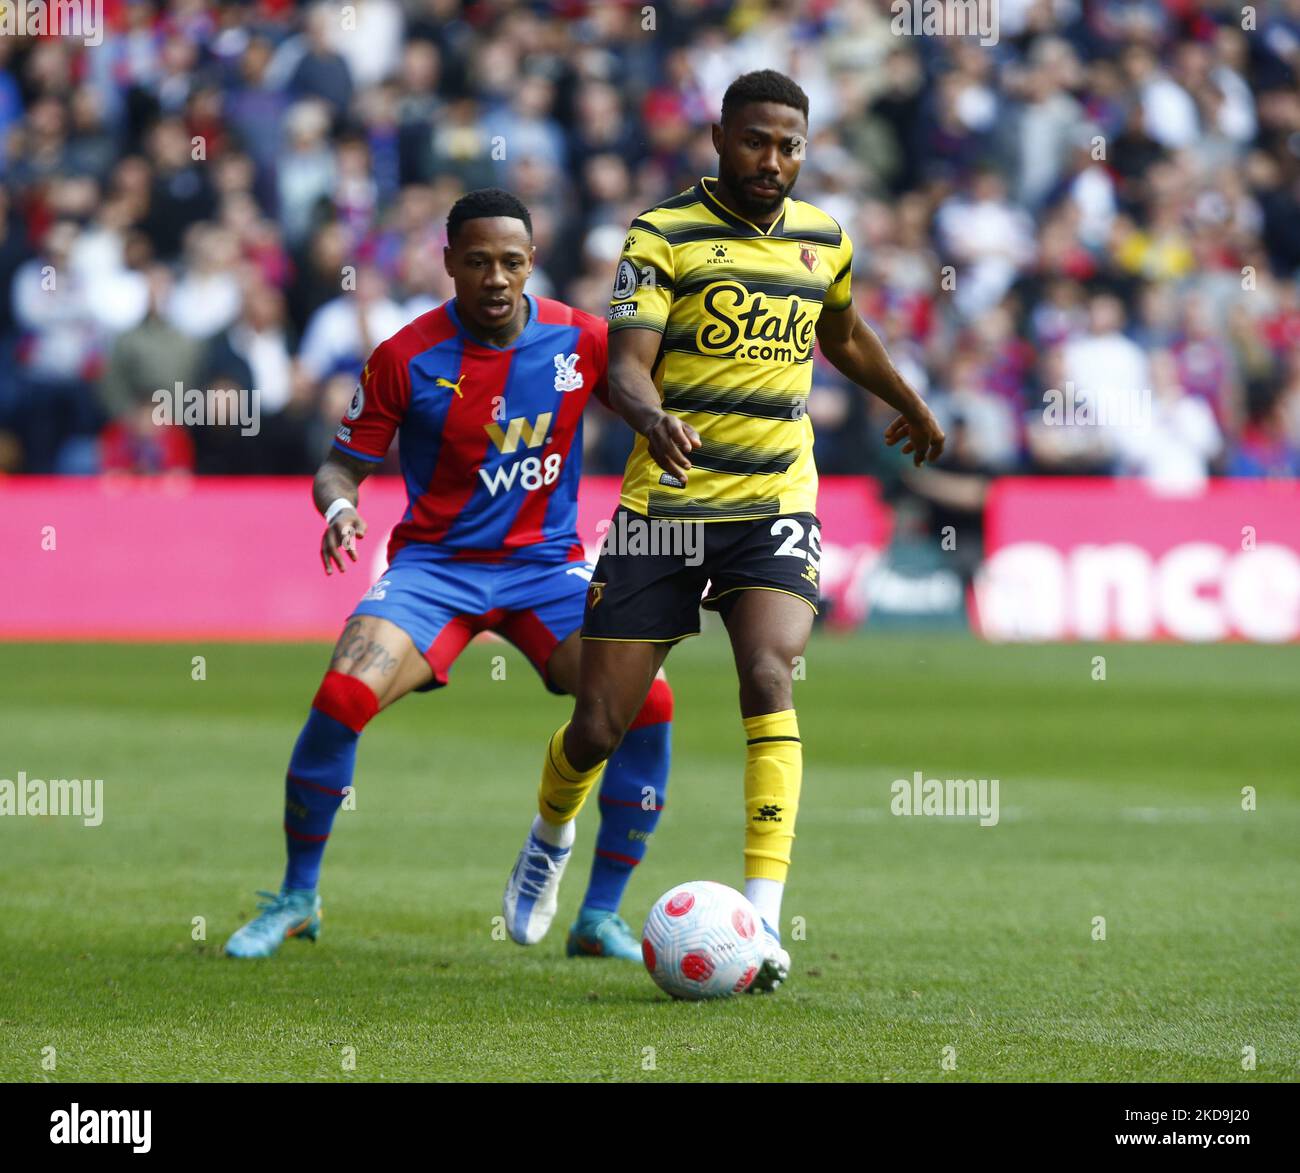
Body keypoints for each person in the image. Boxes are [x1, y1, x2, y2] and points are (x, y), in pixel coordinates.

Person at [502, 71, 945, 993]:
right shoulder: (660, 236)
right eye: (755, 142)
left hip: (775, 502)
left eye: (789, 146)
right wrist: (652, 417)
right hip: (665, 509)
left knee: (769, 672)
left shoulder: (825, 237)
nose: (773, 161)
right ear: (718, 136)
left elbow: (846, 333)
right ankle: (549, 838)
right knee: (598, 721)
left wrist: (910, 402)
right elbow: (624, 368)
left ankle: (766, 921)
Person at [225, 188, 673, 961]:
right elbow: (339, 467)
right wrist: (339, 511)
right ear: (449, 264)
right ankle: (298, 896)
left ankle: (598, 915)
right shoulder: (404, 357)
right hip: (436, 569)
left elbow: (644, 398)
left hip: (547, 567)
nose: (495, 278)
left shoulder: (582, 340)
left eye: (510, 261)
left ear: (531, 262)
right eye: (476, 262)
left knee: (650, 702)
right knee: (341, 694)